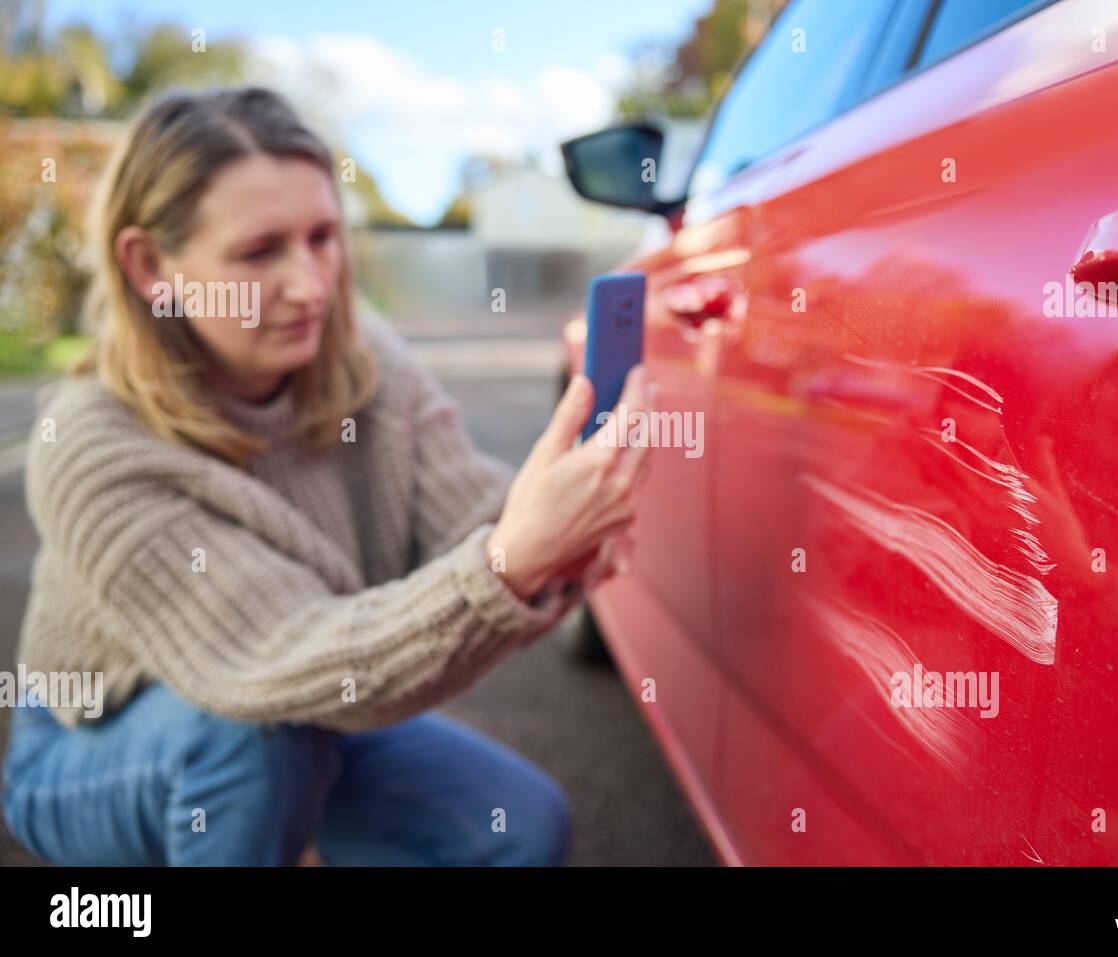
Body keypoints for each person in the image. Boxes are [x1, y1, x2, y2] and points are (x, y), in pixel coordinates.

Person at [0, 86, 650, 866]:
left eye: (322, 237)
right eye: (259, 251)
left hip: (300, 715)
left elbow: (468, 516)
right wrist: (508, 561)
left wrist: (556, 542)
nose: (310, 285)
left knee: (519, 821)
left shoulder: (366, 361)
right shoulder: (91, 445)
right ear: (149, 266)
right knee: (247, 748)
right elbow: (271, 655)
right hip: (99, 738)